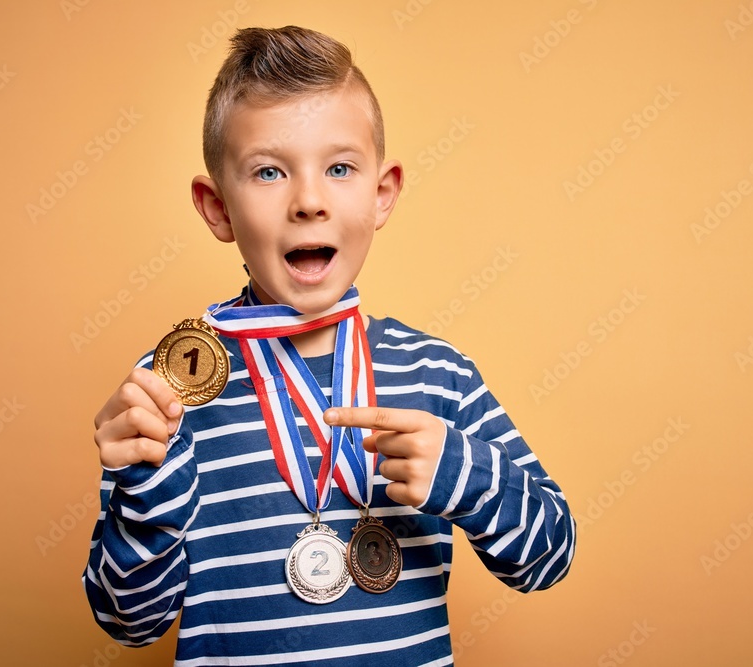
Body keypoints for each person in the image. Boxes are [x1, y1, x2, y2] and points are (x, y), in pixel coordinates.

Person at [83, 25, 575, 666]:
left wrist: (465, 474)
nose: (309, 201)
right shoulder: (169, 392)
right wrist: (148, 492)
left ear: (381, 194)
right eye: (268, 172)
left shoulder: (438, 374)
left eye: (339, 168)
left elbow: (549, 559)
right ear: (218, 208)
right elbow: (130, 623)